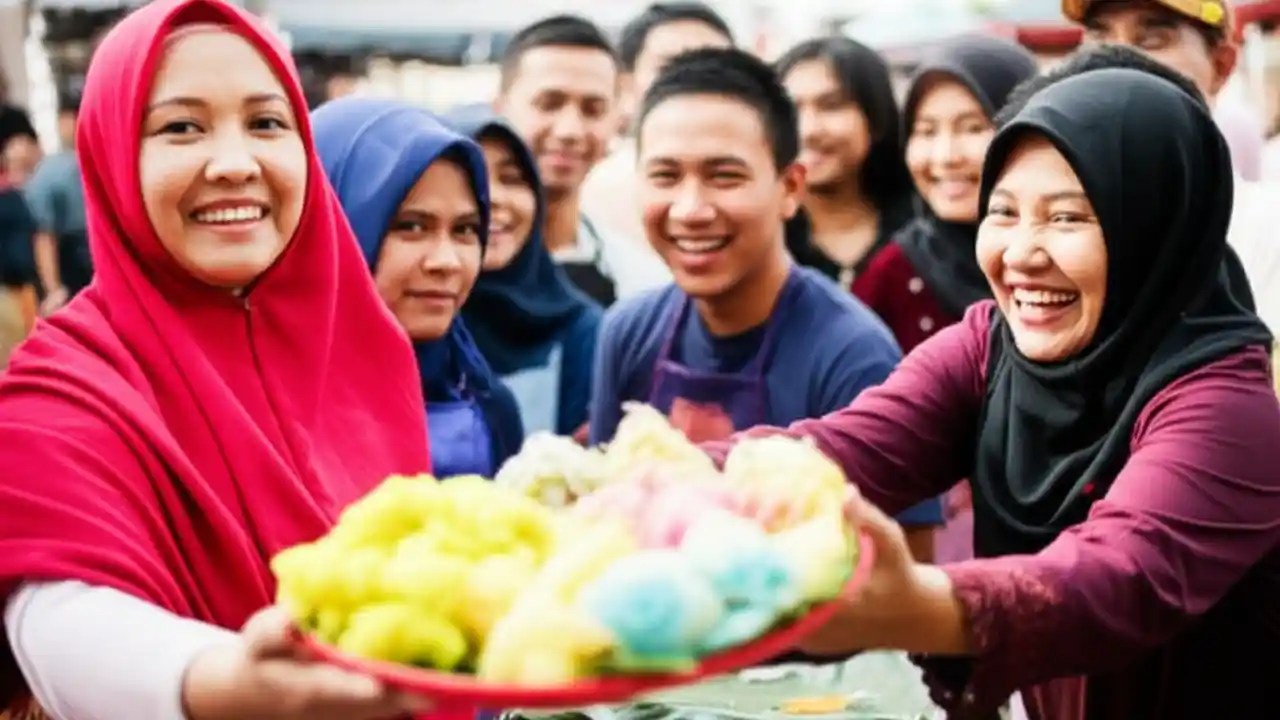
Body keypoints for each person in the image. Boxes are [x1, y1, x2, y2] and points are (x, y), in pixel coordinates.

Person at [707, 68, 1280, 719]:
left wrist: (916, 606)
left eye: (1067, 217)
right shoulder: (988, 345)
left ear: (1156, 224)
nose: (1021, 254)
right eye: (1003, 212)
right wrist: (636, 483)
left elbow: (1116, 579)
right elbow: (846, 448)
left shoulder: (1228, 405)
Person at [0, 2, 435, 718]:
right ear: (110, 155)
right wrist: (221, 681)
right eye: (180, 128)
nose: (235, 164)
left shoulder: (364, 347)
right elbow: (58, 618)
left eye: (267, 123)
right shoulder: (62, 389)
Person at [589, 47, 943, 560]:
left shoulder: (854, 356)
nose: (690, 210)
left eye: (724, 176)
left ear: (789, 187)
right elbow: (608, 528)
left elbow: (907, 574)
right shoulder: (627, 332)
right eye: (665, 176)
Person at [313, 97, 525, 478]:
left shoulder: (487, 404)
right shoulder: (266, 415)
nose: (446, 261)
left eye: (464, 230)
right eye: (411, 226)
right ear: (332, 227)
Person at [1063, 0, 1280, 332]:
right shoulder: (1036, 227)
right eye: (1099, 37)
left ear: (1221, 65)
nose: (1117, 59)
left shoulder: (1267, 231)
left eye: (1151, 40)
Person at [853, 35, 1038, 355]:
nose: (945, 156)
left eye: (973, 128)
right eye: (926, 131)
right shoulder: (894, 275)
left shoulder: (1071, 258)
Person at [447, 104, 603, 440]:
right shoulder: (412, 318)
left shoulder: (582, 331)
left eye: (512, 179)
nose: (495, 199)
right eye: (471, 178)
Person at [579, 2, 735, 298]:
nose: (694, 83)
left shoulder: (768, 183)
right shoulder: (592, 191)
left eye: (715, 68)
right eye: (670, 68)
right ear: (626, 83)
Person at [494, 14, 622, 307]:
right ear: (501, 109)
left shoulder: (638, 281)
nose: (569, 131)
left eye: (593, 110)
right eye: (549, 104)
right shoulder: (451, 268)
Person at [775, 36, 916, 289]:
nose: (808, 130)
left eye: (831, 106)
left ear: (876, 117)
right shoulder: (763, 240)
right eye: (790, 109)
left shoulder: (925, 235)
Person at [24, 99, 90, 317]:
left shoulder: (106, 160)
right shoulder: (50, 173)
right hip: (71, 261)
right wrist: (54, 288)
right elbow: (44, 236)